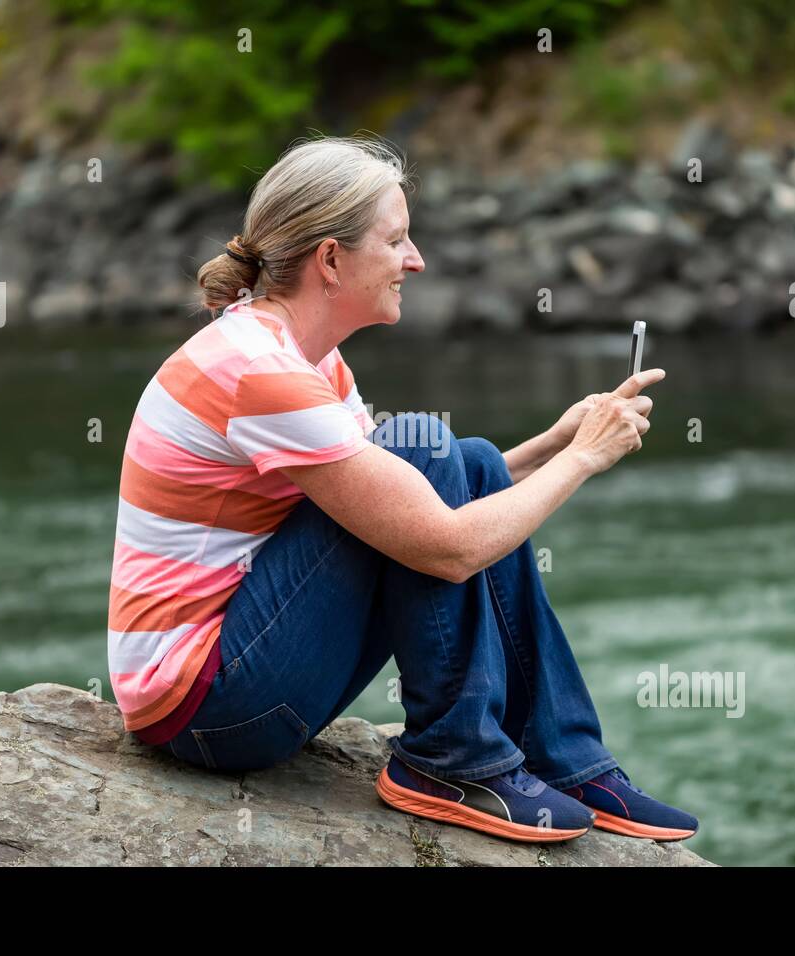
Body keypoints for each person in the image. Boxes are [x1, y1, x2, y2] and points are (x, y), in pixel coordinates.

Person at [107, 134, 698, 844]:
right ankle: (450, 760)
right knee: (422, 443)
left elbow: (413, 502)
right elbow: (444, 549)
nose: (415, 261)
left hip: (237, 676)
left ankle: (563, 759)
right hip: (207, 706)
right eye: (397, 241)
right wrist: (586, 462)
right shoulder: (260, 373)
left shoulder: (304, 361)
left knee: (466, 461)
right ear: (331, 258)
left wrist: (556, 445)